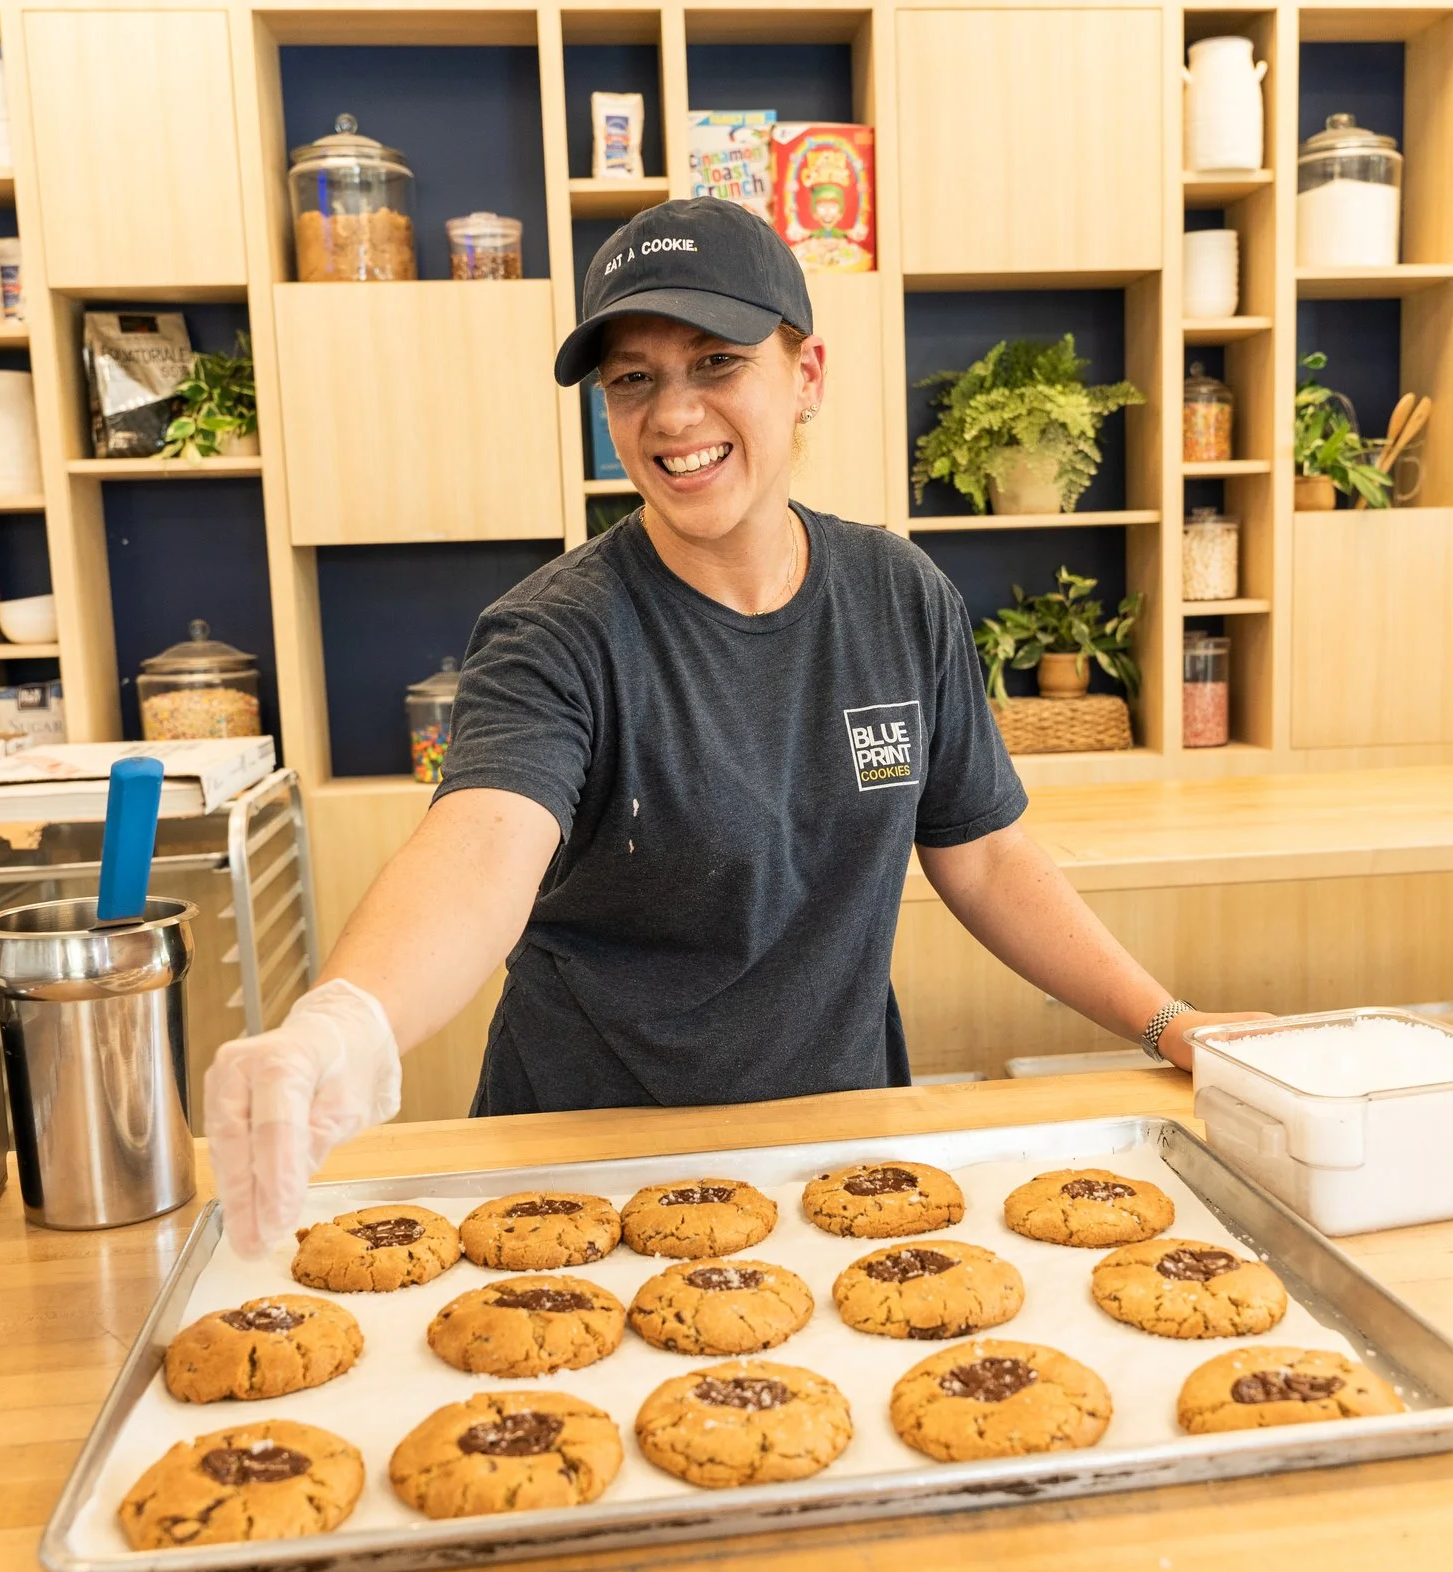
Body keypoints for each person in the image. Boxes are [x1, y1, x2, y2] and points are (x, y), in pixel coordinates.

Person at [203, 198, 1260, 1255]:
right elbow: (481, 847)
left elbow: (981, 855)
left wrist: (1168, 1024)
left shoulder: (899, 595)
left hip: (836, 1142)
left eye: (716, 361)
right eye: (633, 378)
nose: (672, 414)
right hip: (586, 1164)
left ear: (806, 377)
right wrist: (344, 1022)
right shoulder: (554, 631)